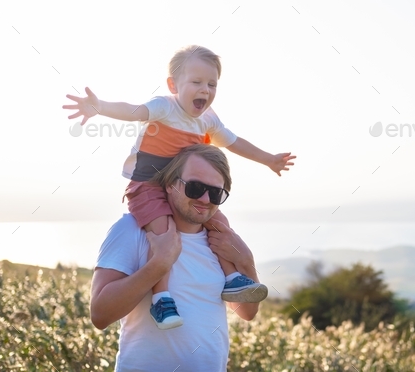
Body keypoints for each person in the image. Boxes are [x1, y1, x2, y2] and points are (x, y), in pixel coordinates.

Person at [63, 45, 295, 329]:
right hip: (148, 185)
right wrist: (100, 106)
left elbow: (234, 142)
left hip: (184, 190)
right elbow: (133, 111)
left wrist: (268, 159)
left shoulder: (208, 120)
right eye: (196, 82)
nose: (205, 90)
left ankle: (233, 279)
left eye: (212, 84)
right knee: (163, 233)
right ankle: (161, 298)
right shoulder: (165, 107)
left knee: (221, 226)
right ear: (174, 85)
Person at [91, 144, 261, 371]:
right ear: (170, 183)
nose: (204, 198)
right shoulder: (130, 230)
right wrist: (159, 264)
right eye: (195, 187)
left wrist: (246, 261)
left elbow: (247, 312)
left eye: (215, 192)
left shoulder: (220, 241)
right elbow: (100, 314)